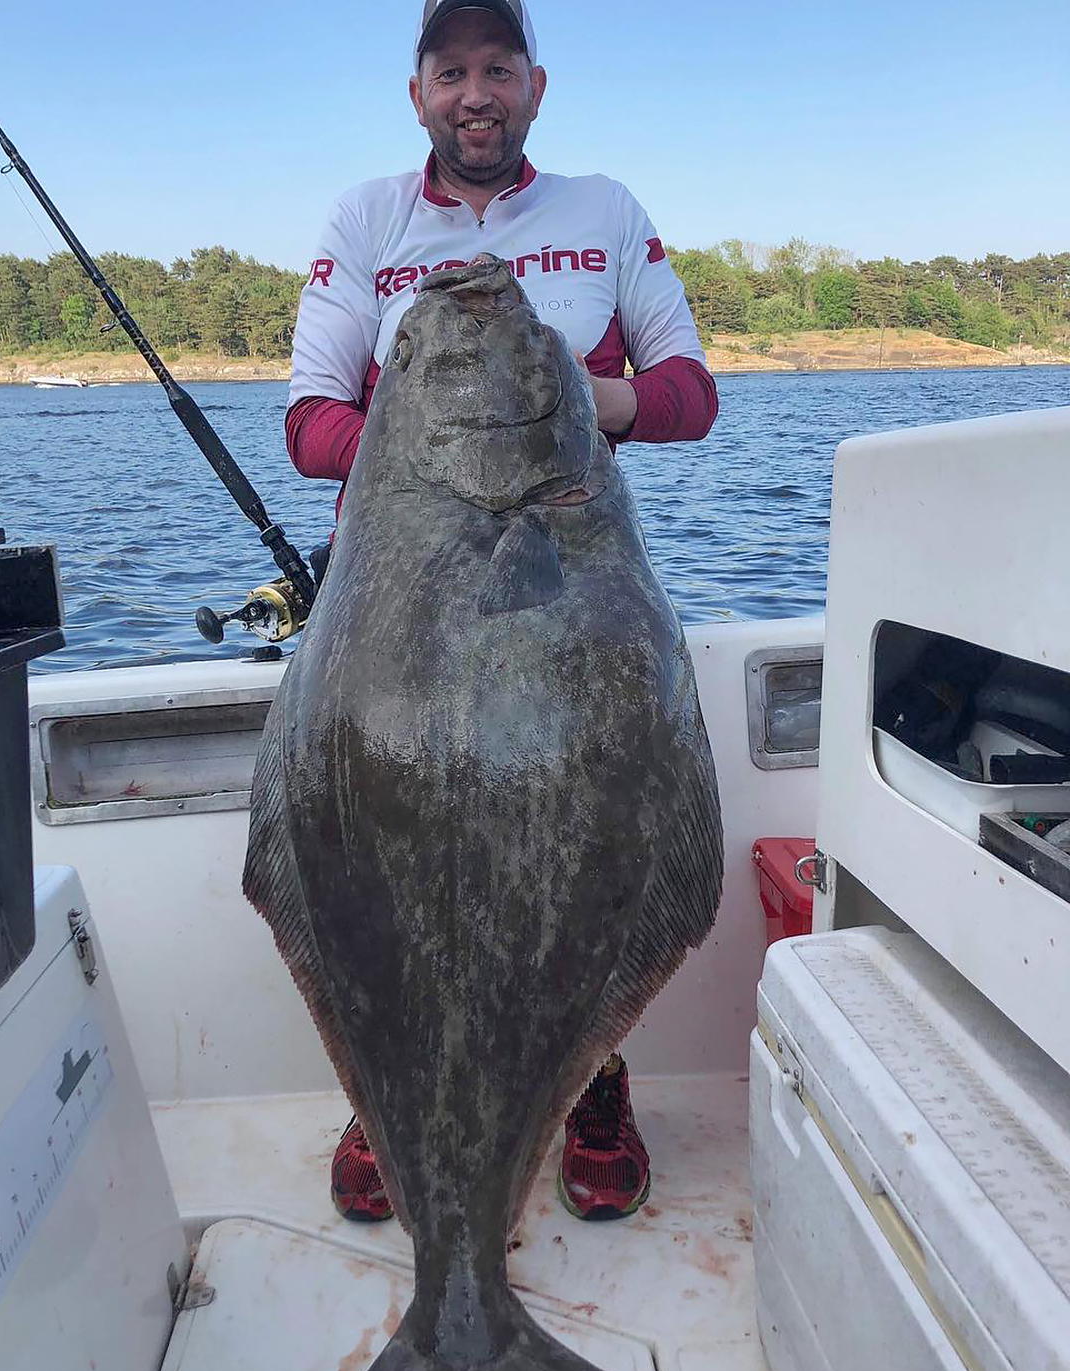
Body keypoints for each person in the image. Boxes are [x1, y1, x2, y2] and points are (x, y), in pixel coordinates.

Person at [284, 0, 718, 1224]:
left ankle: (592, 1076)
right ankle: (383, 1091)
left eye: (497, 68)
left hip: (573, 596)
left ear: (535, 84)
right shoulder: (366, 219)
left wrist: (577, 405)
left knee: (589, 831)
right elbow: (310, 425)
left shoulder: (606, 212)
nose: (475, 93)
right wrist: (439, 441)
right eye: (450, 71)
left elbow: (689, 396)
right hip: (391, 601)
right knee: (376, 838)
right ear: (418, 93)